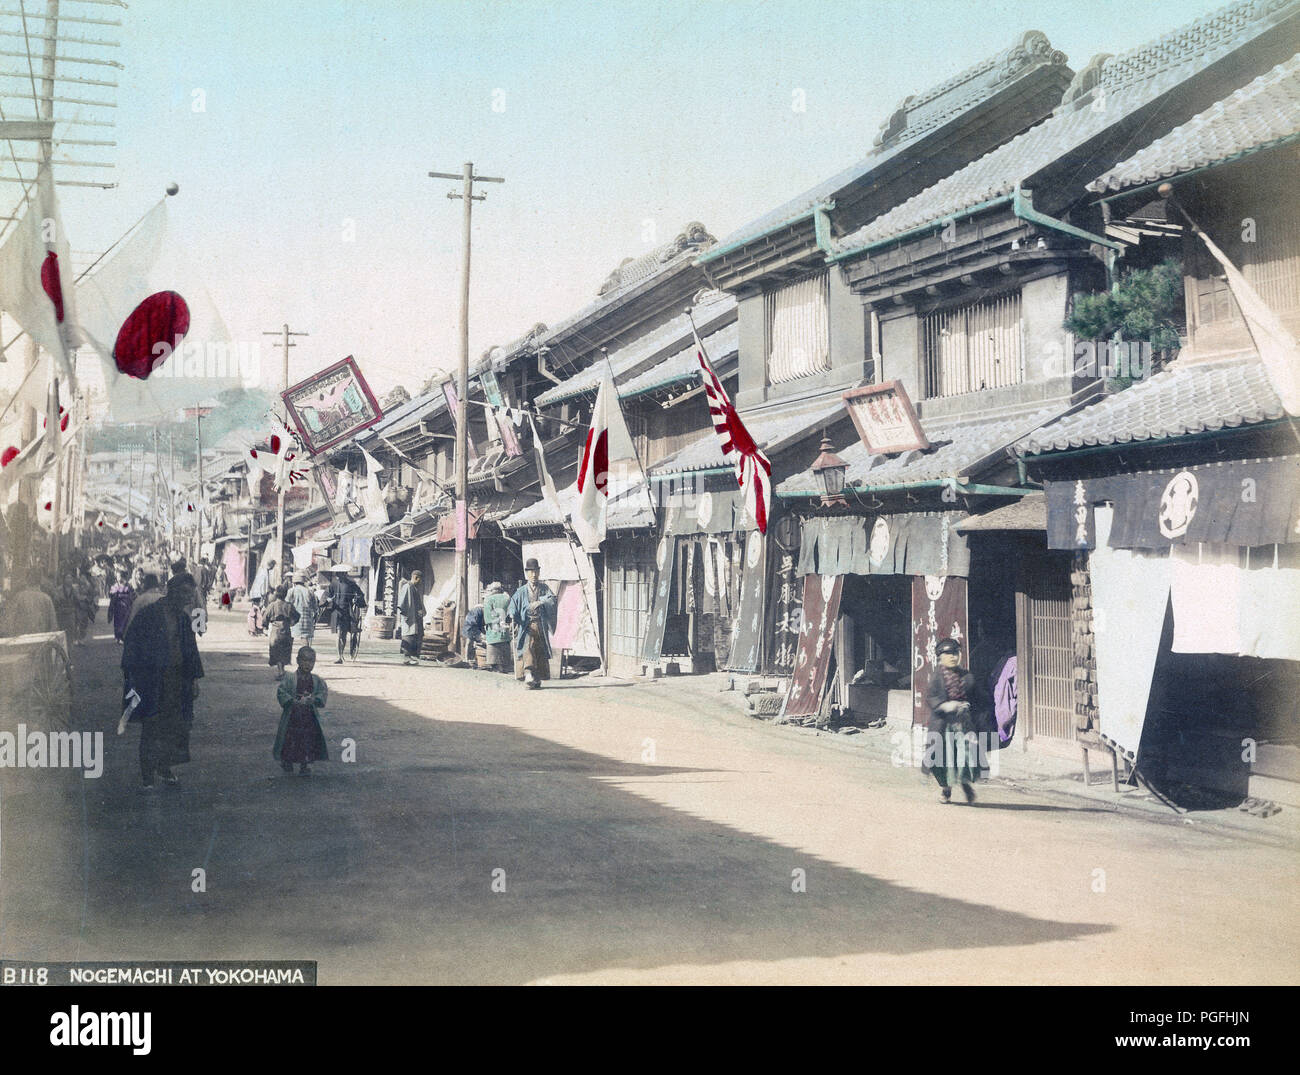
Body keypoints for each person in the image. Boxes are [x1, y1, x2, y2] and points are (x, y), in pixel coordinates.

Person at [121, 572, 204, 790]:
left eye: (191, 594)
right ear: (172, 591)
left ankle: (165, 768)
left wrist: (194, 679)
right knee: (151, 727)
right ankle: (147, 777)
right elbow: (131, 644)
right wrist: (134, 678)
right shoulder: (149, 615)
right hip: (151, 681)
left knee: (175, 727)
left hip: (177, 681)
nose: (189, 599)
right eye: (185, 593)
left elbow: (190, 651)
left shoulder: (184, 618)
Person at [924, 638, 984, 805]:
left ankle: (965, 784)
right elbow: (930, 698)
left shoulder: (968, 677)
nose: (952, 657)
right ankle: (945, 788)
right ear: (940, 657)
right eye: (947, 654)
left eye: (955, 653)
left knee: (964, 756)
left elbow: (978, 698)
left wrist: (967, 705)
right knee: (941, 759)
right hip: (943, 726)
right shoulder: (937, 678)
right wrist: (945, 705)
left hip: (963, 725)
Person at [274, 645, 329, 776]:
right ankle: (287, 761)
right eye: (304, 660)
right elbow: (281, 692)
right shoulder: (289, 678)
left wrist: (314, 700)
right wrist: (292, 701)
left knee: (308, 740)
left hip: (309, 716)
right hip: (293, 716)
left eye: (311, 661)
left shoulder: (316, 680)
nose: (308, 664)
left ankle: (305, 765)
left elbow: (322, 693)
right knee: (290, 739)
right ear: (298, 660)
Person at [507, 558, 557, 689]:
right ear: (526, 573)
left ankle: (536, 679)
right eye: (531, 572)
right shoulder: (522, 590)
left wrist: (541, 601)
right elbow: (513, 603)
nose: (533, 575)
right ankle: (528, 673)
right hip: (526, 624)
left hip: (540, 624)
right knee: (527, 647)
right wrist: (512, 613)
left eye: (536, 572)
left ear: (539, 572)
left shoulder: (544, 588)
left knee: (539, 650)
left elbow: (552, 599)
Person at [0, 569, 58, 637]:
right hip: (42, 641)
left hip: (22, 642)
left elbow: (8, 623)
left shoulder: (19, 597)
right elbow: (54, 626)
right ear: (40, 581)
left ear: (27, 580)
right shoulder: (47, 599)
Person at [325, 566, 363, 664]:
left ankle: (341, 654)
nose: (338, 575)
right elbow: (326, 596)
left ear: (345, 573)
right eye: (337, 573)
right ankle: (340, 656)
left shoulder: (351, 584)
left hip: (347, 612)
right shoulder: (333, 584)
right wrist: (328, 600)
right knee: (338, 634)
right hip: (336, 611)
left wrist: (356, 599)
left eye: (341, 573)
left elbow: (360, 594)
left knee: (343, 635)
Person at [264, 583, 298, 677]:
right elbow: (297, 616)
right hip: (286, 630)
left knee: (276, 650)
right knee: (284, 651)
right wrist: (292, 623)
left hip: (275, 631)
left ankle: (280, 671)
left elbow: (265, 617)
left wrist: (265, 626)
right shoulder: (289, 606)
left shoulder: (272, 605)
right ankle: (282, 669)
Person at [396, 570, 424, 665]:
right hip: (409, 616)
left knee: (414, 636)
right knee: (408, 637)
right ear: (416, 577)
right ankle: (406, 658)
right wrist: (406, 615)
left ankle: (411, 656)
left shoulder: (414, 588)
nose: (420, 582)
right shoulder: (408, 587)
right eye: (420, 579)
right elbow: (403, 603)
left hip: (415, 617)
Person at [482, 581, 511, 672]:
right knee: (504, 643)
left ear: (492, 590)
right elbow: (510, 611)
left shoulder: (488, 599)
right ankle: (505, 665)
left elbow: (487, 615)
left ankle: (495, 665)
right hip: (504, 624)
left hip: (494, 625)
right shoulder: (507, 598)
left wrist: (488, 622)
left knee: (494, 645)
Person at [286, 571, 318, 645]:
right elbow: (315, 607)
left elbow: (286, 605)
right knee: (305, 639)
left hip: (294, 619)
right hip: (306, 619)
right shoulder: (309, 592)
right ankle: (305, 655)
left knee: (290, 637)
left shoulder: (291, 591)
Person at [107, 570, 135, 643]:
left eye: (120, 576)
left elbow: (131, 595)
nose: (118, 578)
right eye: (117, 576)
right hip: (117, 607)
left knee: (125, 622)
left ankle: (122, 637)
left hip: (126, 607)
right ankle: (117, 636)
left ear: (123, 577)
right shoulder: (115, 586)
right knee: (117, 622)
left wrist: (122, 595)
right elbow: (112, 595)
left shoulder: (128, 586)